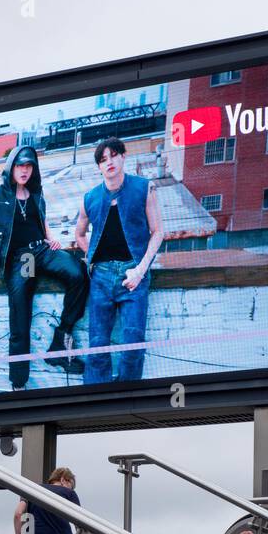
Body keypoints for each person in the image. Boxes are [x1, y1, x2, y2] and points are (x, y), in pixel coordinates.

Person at [0, 145, 88, 388]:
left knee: (78, 273)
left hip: (42, 250)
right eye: (20, 165)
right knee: (21, 313)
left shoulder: (37, 193)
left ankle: (61, 340)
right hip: (22, 259)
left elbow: (41, 222)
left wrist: (51, 239)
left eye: (29, 166)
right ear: (10, 168)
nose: (24, 170)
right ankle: (19, 381)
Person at [75, 137, 164, 385]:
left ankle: (127, 399)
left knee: (133, 344)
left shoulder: (144, 188)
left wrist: (140, 270)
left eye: (114, 155)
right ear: (99, 167)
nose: (109, 162)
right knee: (97, 345)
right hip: (101, 277)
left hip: (134, 273)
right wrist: (92, 257)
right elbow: (79, 234)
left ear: (124, 157)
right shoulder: (90, 198)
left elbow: (158, 231)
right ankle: (95, 404)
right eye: (103, 159)